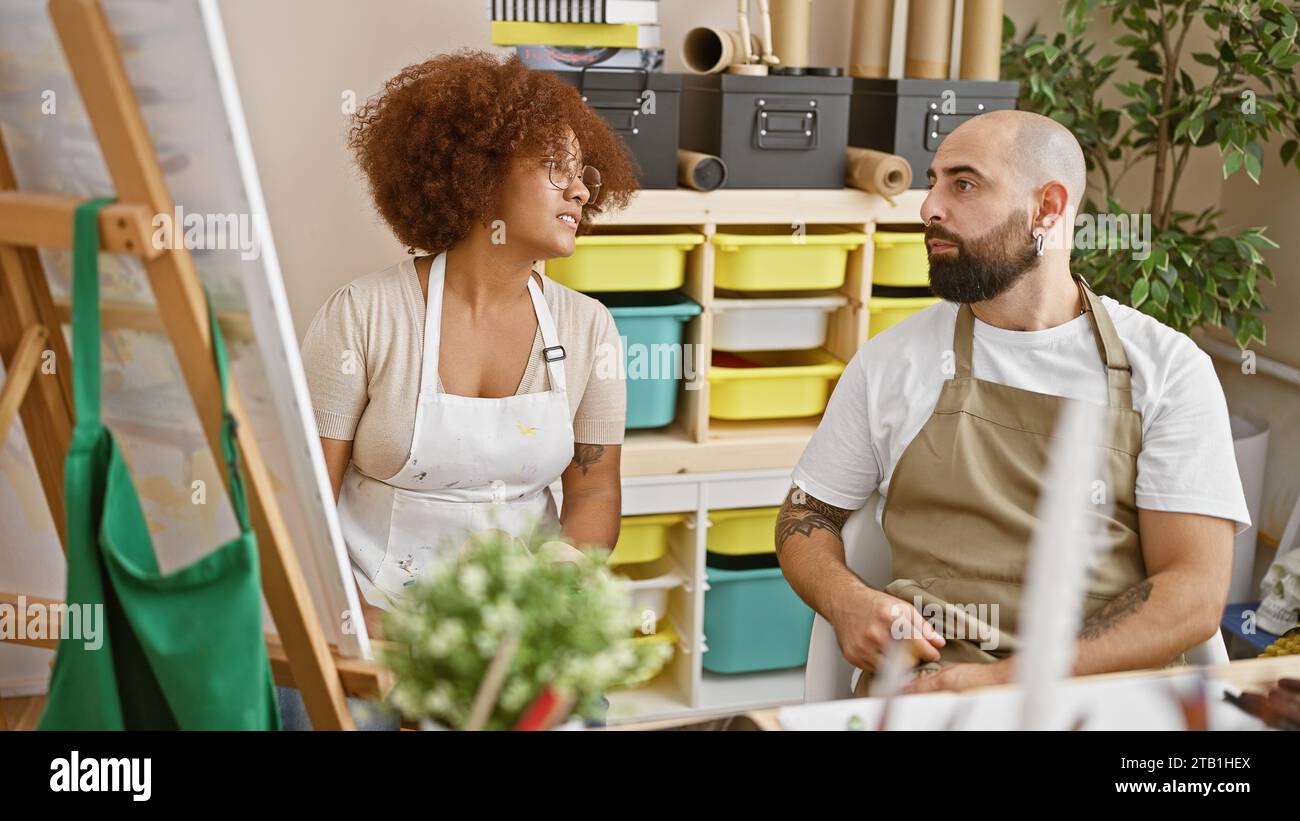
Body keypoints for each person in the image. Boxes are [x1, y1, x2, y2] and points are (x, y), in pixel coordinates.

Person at [776, 109, 1251, 696]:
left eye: (964, 184)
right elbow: (806, 515)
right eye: (933, 181)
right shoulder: (890, 362)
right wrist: (846, 600)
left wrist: (1004, 680)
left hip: (1106, 693)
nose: (929, 208)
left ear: (1047, 209)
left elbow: (1194, 595)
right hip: (931, 693)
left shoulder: (1170, 370)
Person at [288, 51, 638, 729]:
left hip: (519, 635)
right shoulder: (364, 314)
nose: (581, 192)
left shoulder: (589, 327)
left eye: (584, 173)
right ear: (478, 175)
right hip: (367, 614)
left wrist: (556, 593)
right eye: (554, 169)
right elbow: (303, 503)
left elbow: (595, 489)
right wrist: (353, 622)